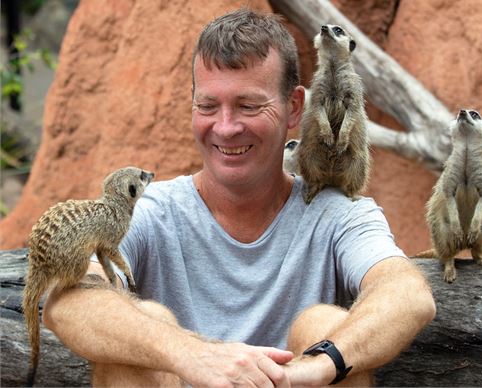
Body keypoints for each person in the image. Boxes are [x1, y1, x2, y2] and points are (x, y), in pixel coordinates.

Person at [41, 9, 436, 387]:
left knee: (320, 326)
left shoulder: (337, 214)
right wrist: (191, 355)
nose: (226, 128)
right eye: (208, 106)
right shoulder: (150, 212)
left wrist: (320, 365)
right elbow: (68, 302)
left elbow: (406, 294)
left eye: (248, 106)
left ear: (295, 108)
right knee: (146, 321)